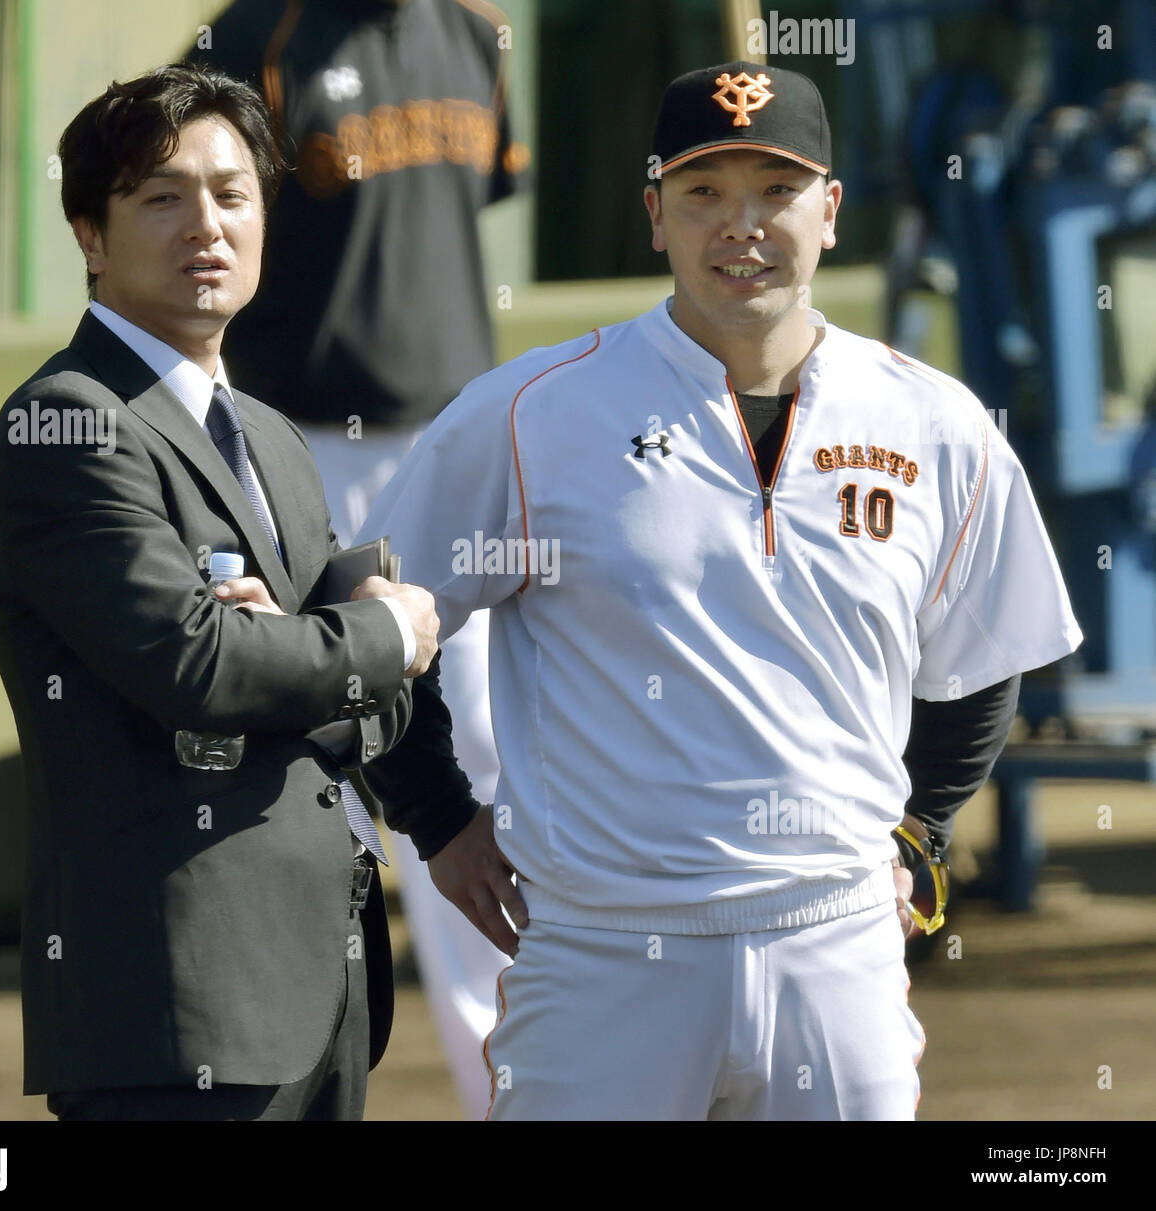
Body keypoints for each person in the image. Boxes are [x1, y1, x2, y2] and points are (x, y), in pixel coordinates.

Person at [359, 62, 1083, 1120]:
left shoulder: (936, 422)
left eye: (774, 190)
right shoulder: (527, 412)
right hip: (605, 949)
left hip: (834, 941)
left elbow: (980, 657)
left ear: (829, 211)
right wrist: (436, 816)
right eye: (703, 192)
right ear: (653, 215)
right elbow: (376, 633)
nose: (739, 224)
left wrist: (921, 836)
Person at [0, 63, 438, 1121]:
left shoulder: (272, 436)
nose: (206, 226)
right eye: (160, 197)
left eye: (233, 195)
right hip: (172, 1009)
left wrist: (322, 650)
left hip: (326, 993)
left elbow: (380, 699)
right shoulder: (69, 426)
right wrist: (376, 632)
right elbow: (202, 666)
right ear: (89, 234)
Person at [188, 0, 529, 1116]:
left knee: (470, 751)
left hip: (451, 435)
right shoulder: (252, 39)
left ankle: (515, 1083)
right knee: (300, 763)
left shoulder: (478, 35)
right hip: (297, 450)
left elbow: (470, 205)